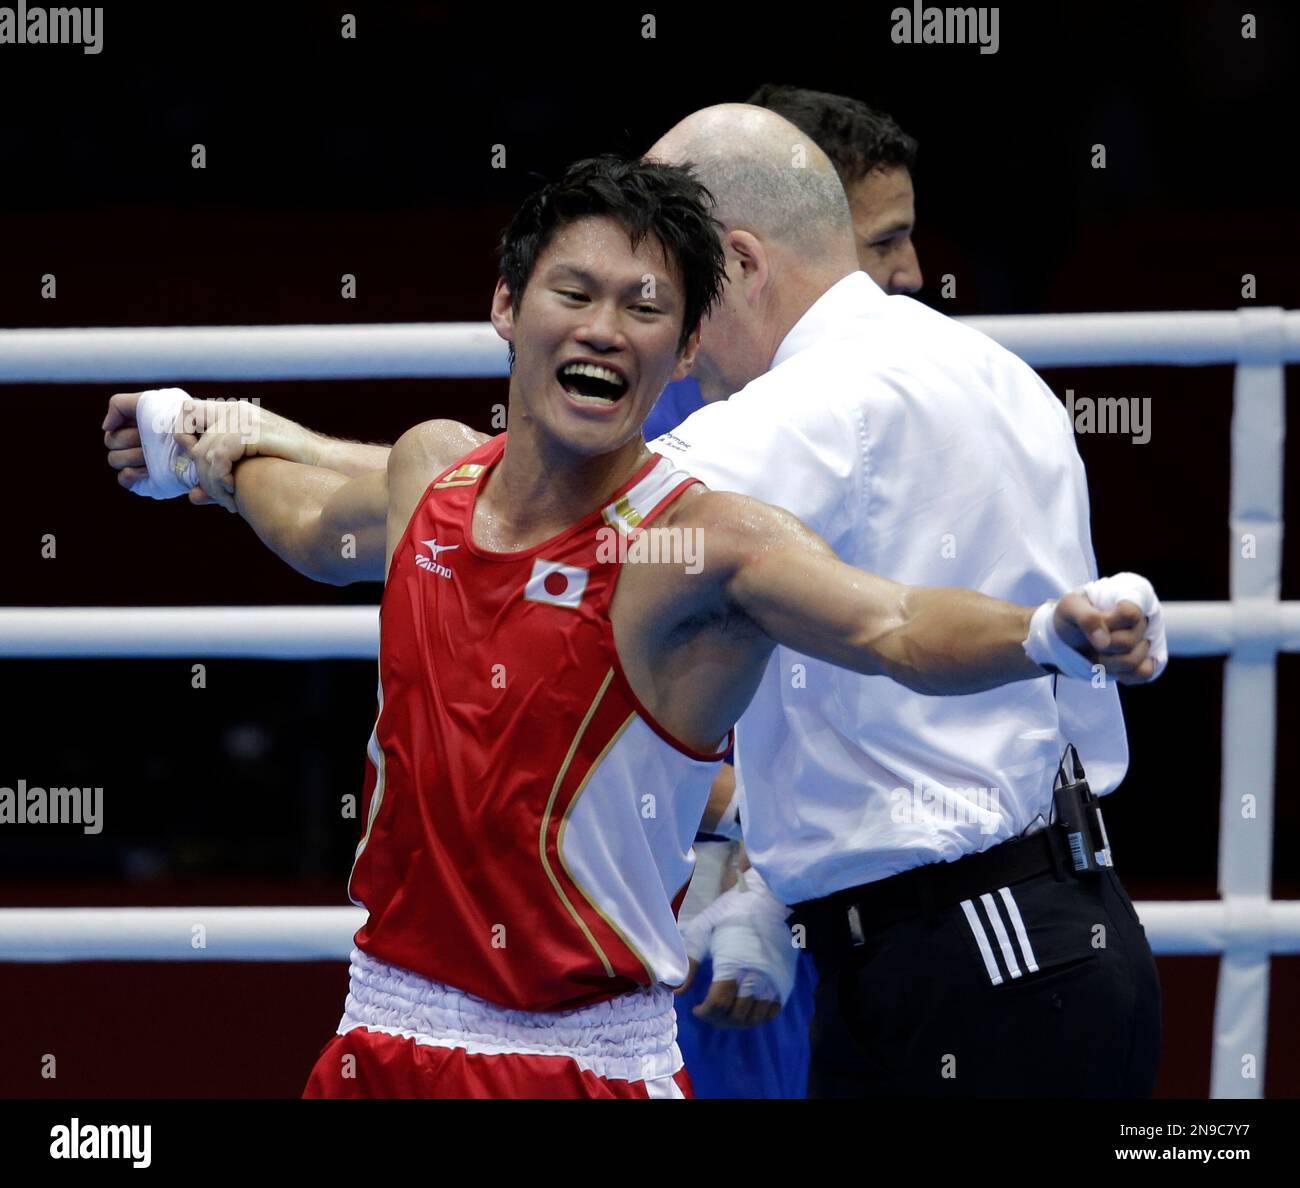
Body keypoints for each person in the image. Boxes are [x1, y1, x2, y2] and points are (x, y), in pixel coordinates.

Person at [103, 153, 1160, 1100]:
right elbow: (315, 524)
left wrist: (1043, 630)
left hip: (585, 1065)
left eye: (645, 306)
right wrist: (206, 451)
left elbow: (891, 621)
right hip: (381, 1038)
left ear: (689, 342)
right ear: (507, 307)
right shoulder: (432, 471)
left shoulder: (698, 543)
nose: (606, 326)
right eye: (576, 292)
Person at [637, 104, 1164, 1096]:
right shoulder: (999, 372)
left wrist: (297, 459)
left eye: (675, 287)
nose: (677, 330)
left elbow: (557, 533)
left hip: (973, 955)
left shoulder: (806, 406)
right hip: (1007, 941)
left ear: (741, 264)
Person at [663, 84, 925, 1100]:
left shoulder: (912, 411)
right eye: (883, 241)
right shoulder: (658, 414)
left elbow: (939, 675)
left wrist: (765, 882)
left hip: (864, 891)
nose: (907, 273)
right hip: (662, 902)